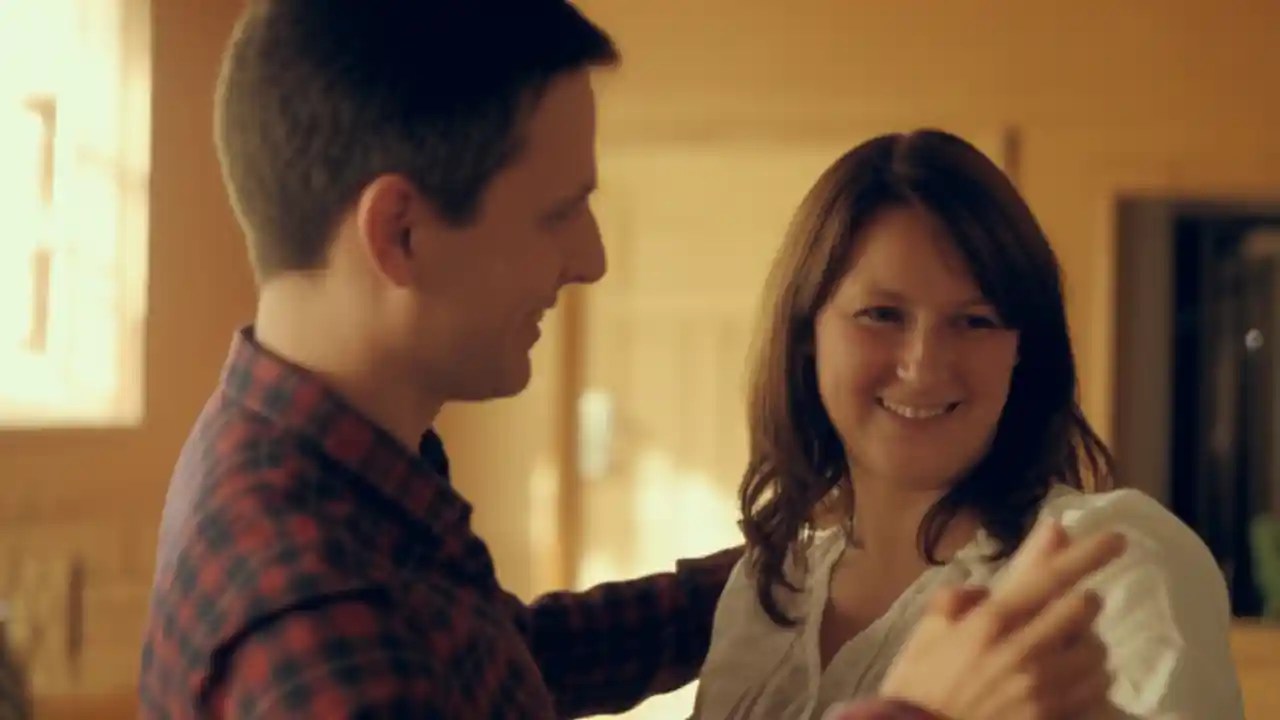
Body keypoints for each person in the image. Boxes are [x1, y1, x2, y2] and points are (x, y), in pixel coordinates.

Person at [138, 2, 1128, 718]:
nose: (590, 258)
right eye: (557, 212)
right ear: (399, 232)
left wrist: (830, 565)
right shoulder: (314, 625)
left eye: (972, 320)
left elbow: (516, 657)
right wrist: (912, 712)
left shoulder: (337, 483)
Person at [693, 129, 1246, 719]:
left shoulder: (1108, 561)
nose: (923, 366)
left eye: (975, 321)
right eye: (882, 315)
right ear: (807, 334)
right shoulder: (767, 585)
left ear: (1022, 350)